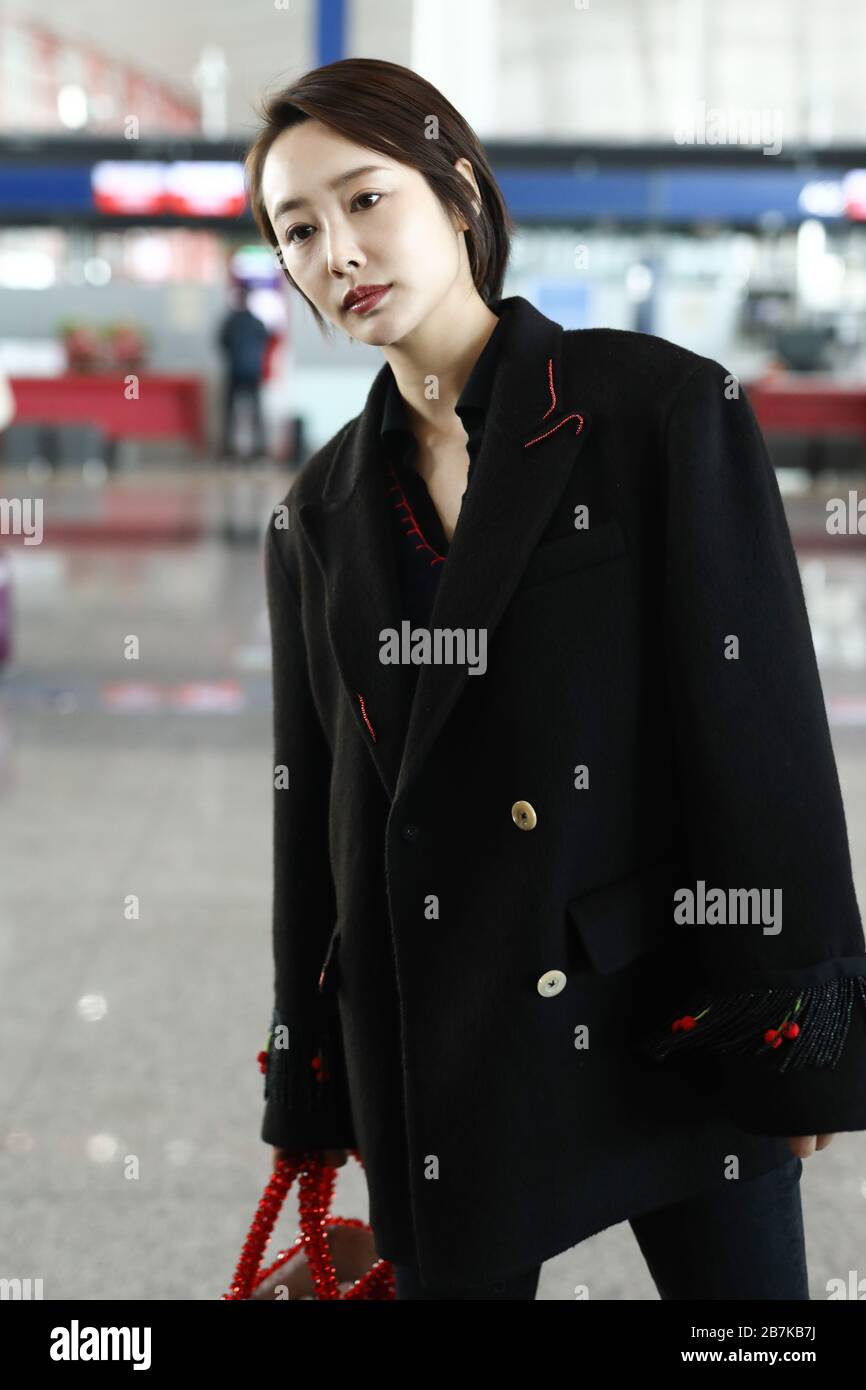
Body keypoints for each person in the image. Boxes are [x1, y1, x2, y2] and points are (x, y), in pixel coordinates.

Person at [243, 58, 866, 1300]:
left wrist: (788, 1032)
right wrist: (312, 1075)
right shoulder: (317, 512)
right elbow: (320, 812)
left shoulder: (654, 411)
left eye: (364, 201)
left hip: (667, 1007)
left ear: (458, 190)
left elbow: (759, 741)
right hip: (443, 1037)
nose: (335, 252)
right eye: (297, 230)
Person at [217, 284, 270, 461]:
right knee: (255, 411)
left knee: (230, 411)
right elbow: (265, 343)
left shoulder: (230, 322)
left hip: (236, 370)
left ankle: (228, 450)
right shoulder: (257, 322)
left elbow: (222, 343)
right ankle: (259, 450)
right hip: (252, 371)